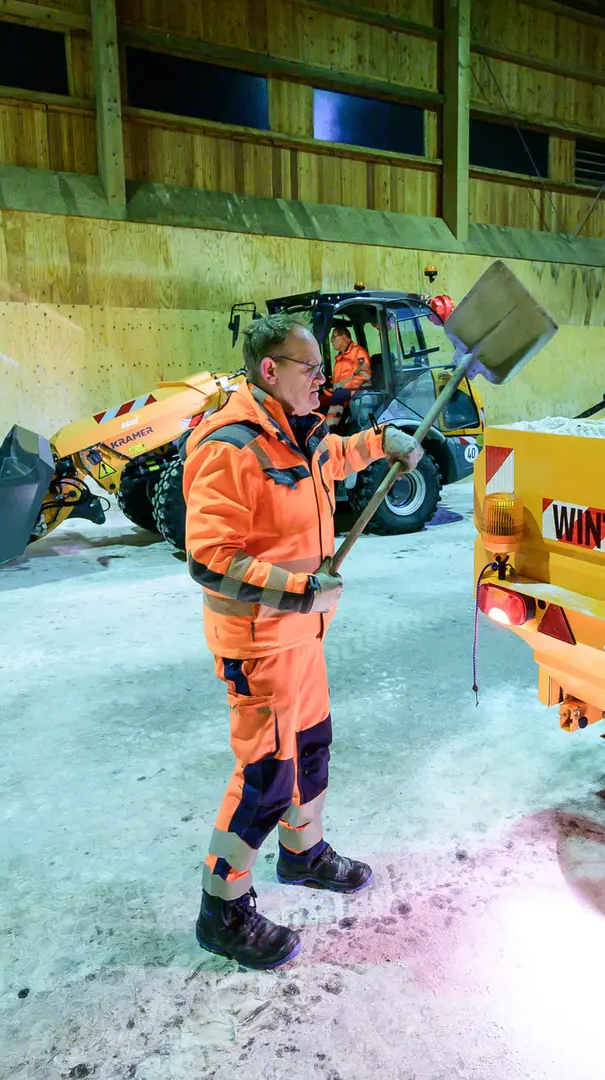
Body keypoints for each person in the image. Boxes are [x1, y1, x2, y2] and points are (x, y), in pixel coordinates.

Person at [184, 313, 424, 970]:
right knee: (266, 777)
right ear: (270, 370)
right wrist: (298, 591)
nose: (323, 379)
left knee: (312, 748)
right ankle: (221, 910)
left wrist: (379, 441)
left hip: (303, 635)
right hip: (258, 641)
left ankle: (303, 853)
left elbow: (333, 457)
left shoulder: (299, 429)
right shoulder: (231, 446)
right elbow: (210, 558)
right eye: (310, 368)